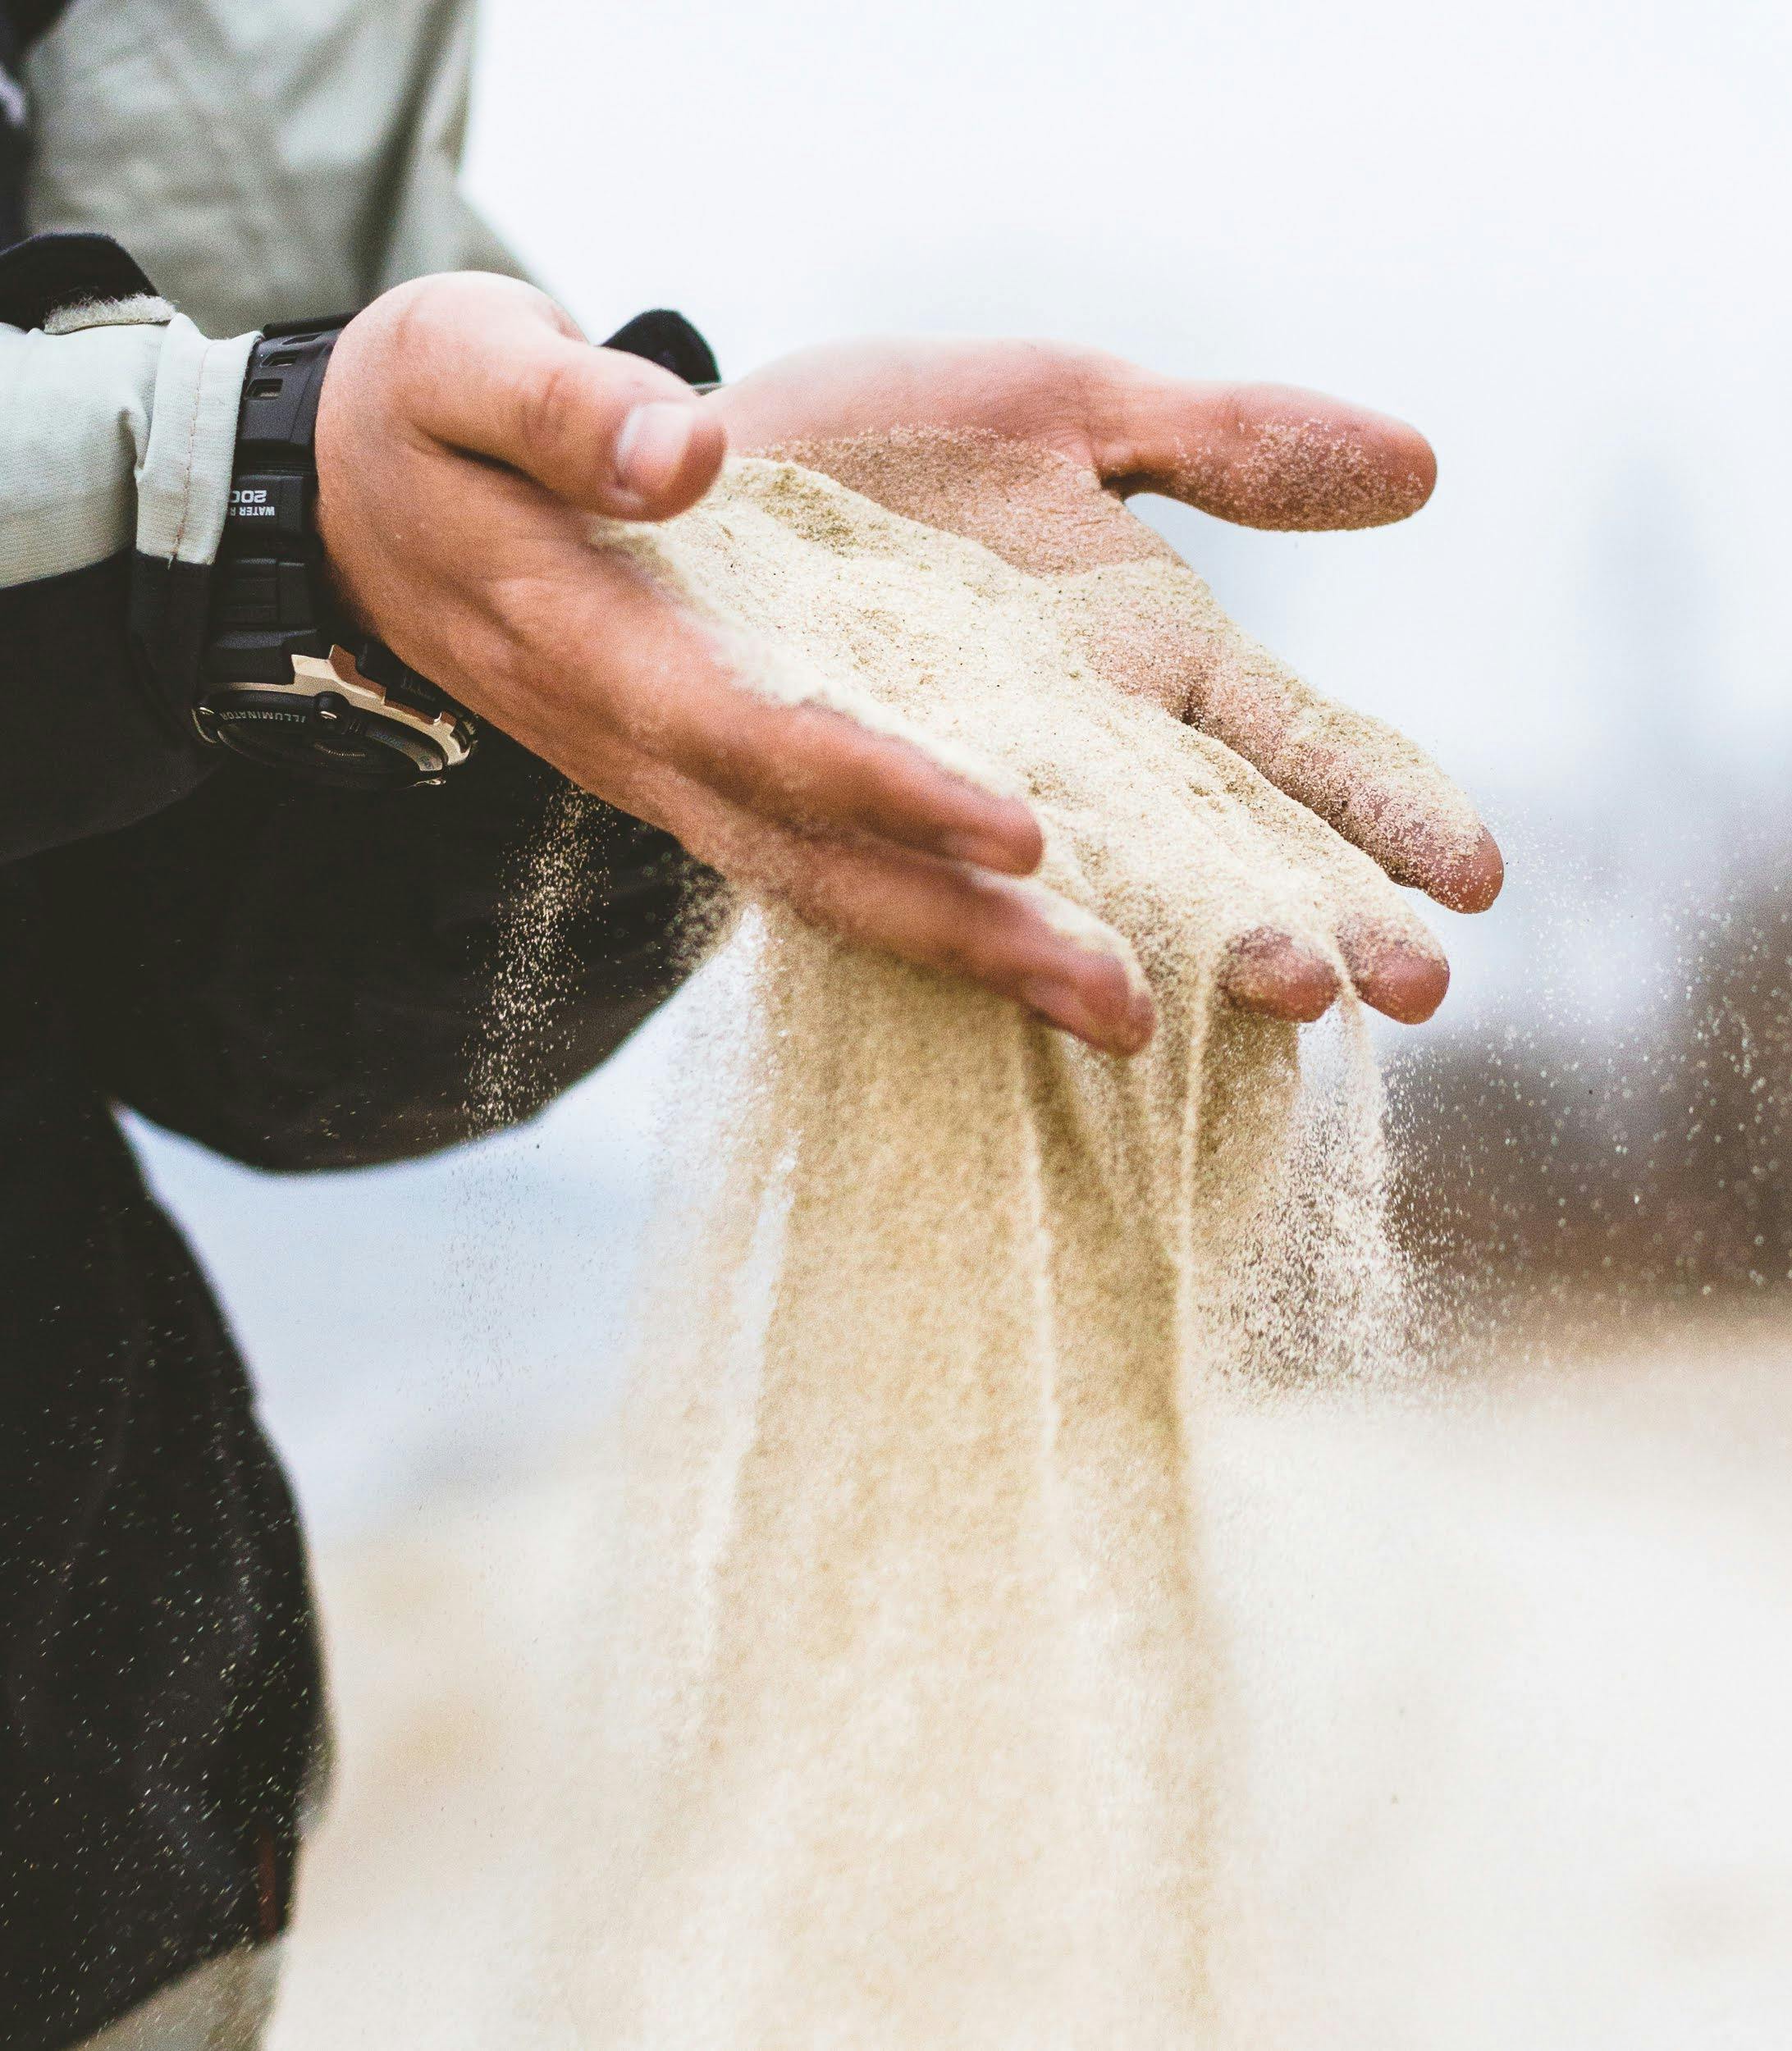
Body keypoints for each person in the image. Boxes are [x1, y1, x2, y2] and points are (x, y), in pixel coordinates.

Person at [0, 2, 1502, 2044]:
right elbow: (238, 477)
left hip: (94, 1848)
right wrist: (228, 492)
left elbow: (242, 1003)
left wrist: (659, 623)